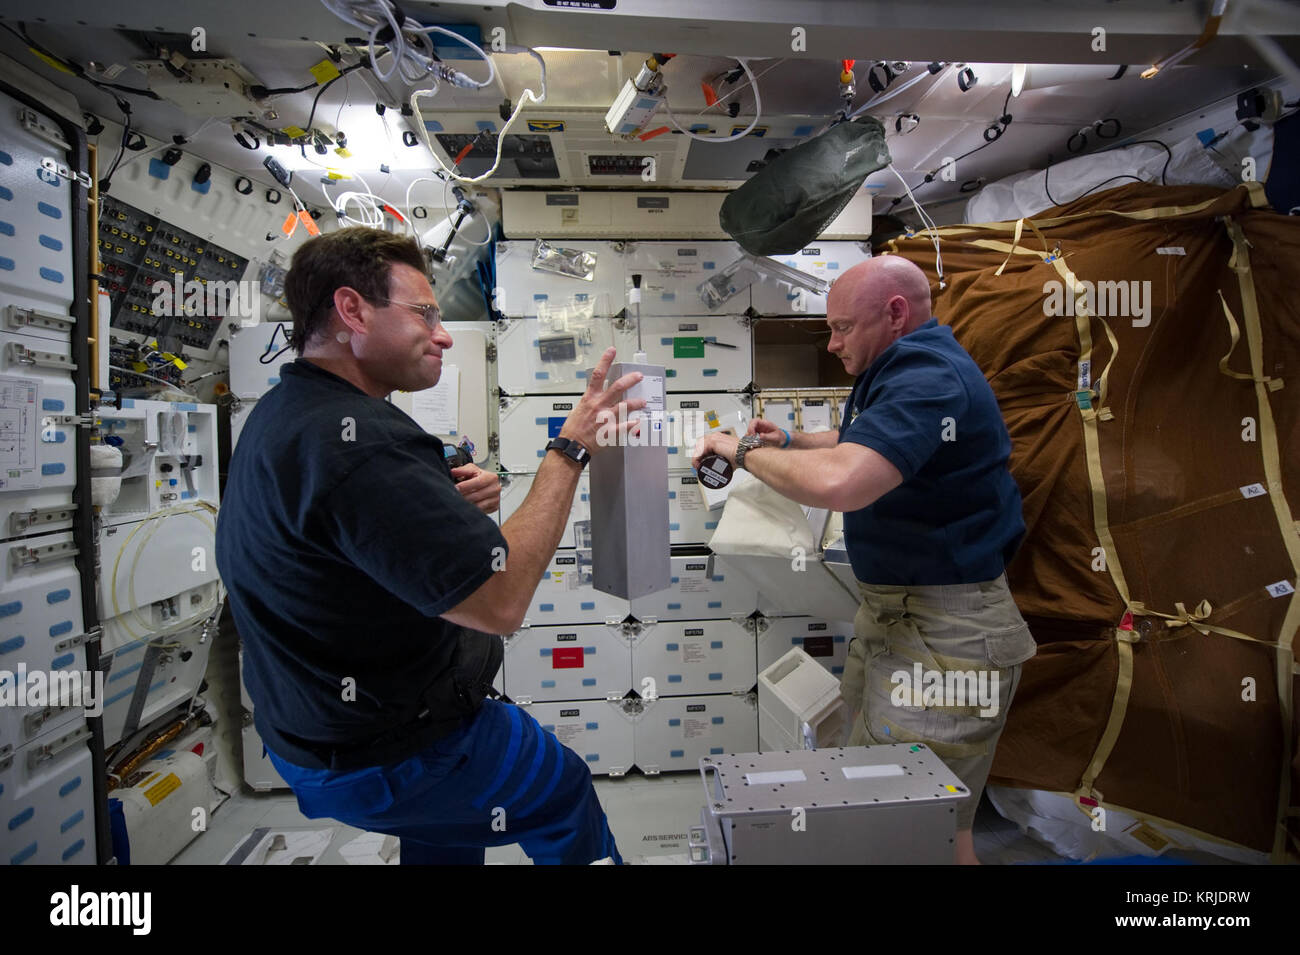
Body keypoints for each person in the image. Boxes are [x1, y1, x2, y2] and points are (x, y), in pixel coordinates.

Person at [216, 227, 645, 864]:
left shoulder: (284, 413)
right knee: (560, 793)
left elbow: (341, 543)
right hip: (392, 750)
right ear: (352, 310)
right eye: (424, 312)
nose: (443, 334)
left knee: (445, 828)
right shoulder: (361, 443)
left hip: (309, 735)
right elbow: (500, 603)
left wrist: (438, 510)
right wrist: (570, 450)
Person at [691, 256, 1035, 864]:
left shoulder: (926, 374)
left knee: (916, 832)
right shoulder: (903, 368)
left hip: (944, 634)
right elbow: (864, 438)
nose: (833, 342)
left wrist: (740, 453)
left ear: (895, 313)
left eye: (843, 327)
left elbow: (844, 483)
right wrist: (792, 442)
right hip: (900, 622)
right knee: (896, 811)